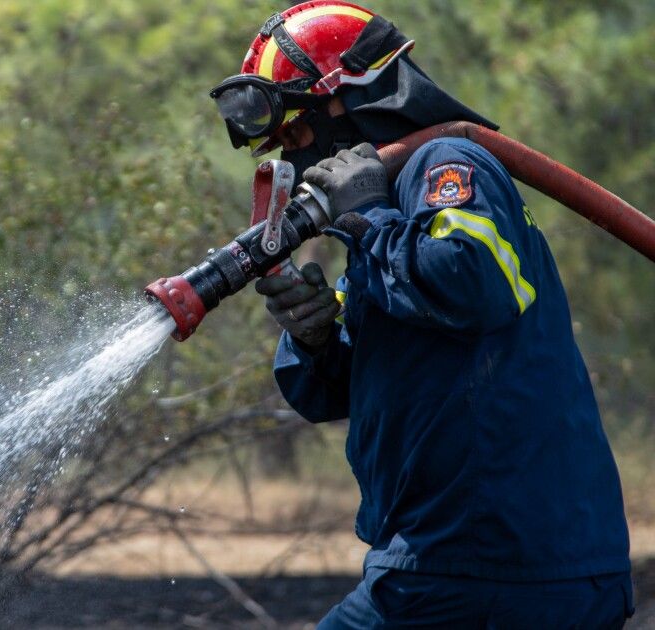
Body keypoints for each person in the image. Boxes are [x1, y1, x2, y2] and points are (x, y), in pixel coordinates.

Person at [209, 1, 635, 627]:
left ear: (350, 105)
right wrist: (317, 336)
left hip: (483, 563)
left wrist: (366, 216)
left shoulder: (447, 167)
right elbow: (335, 391)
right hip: (482, 560)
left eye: (299, 135)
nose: (300, 161)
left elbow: (475, 280)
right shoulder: (386, 221)